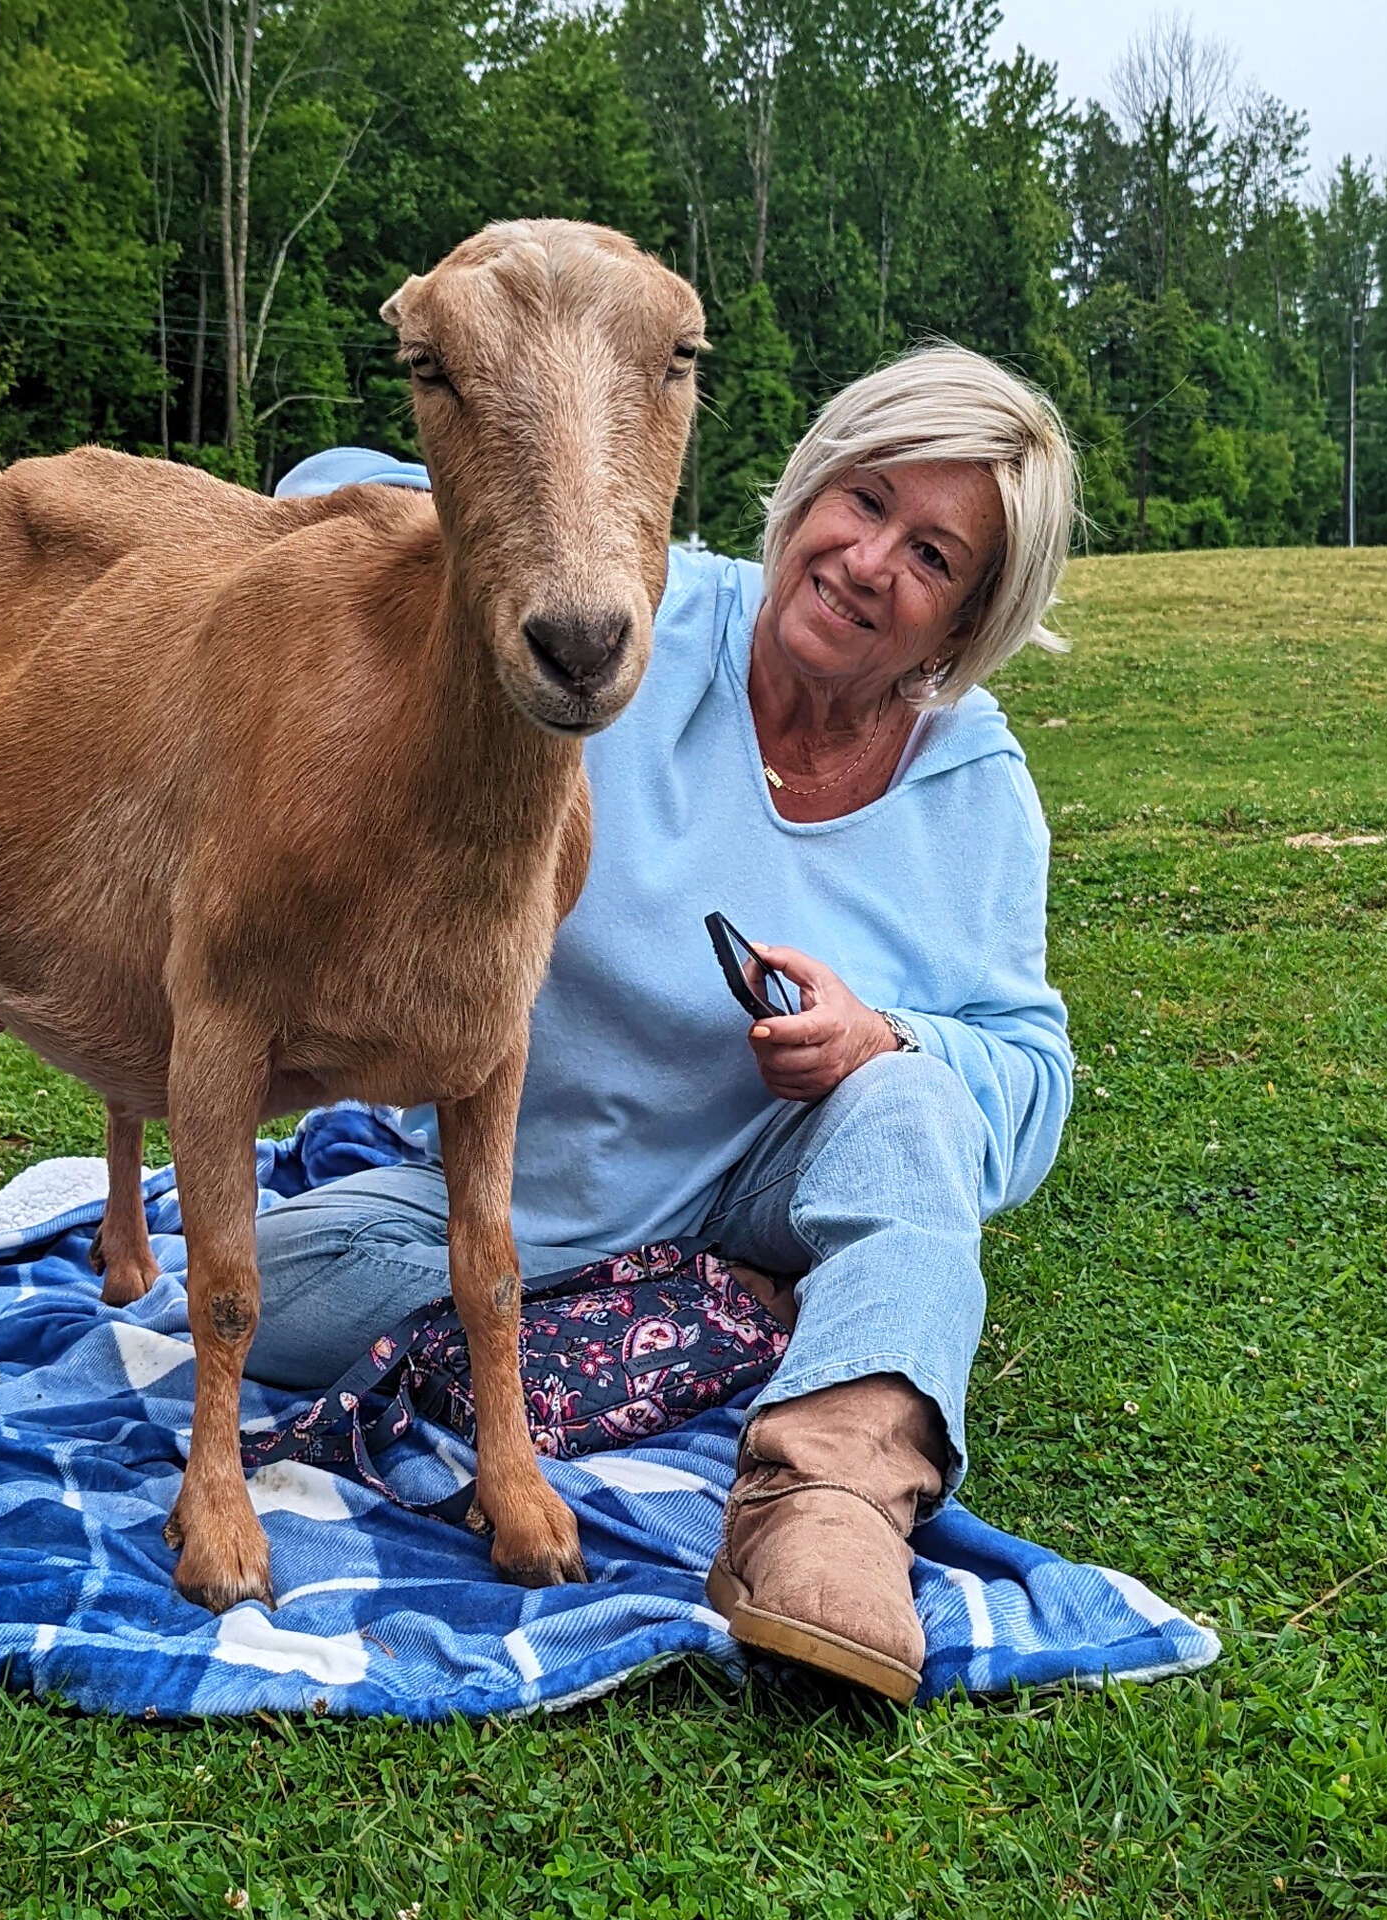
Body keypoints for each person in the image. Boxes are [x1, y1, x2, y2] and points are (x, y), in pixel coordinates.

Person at [250, 344, 1077, 1702]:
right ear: (807, 489)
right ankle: (720, 1318)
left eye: (932, 558)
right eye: (864, 502)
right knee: (247, 1299)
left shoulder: (976, 788)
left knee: (915, 1105)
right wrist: (517, 513)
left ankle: (828, 1508)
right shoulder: (623, 619)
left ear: (963, 623)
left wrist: (884, 1038)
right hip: (516, 1190)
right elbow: (331, 487)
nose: (871, 563)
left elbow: (1033, 1085)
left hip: (770, 1179)